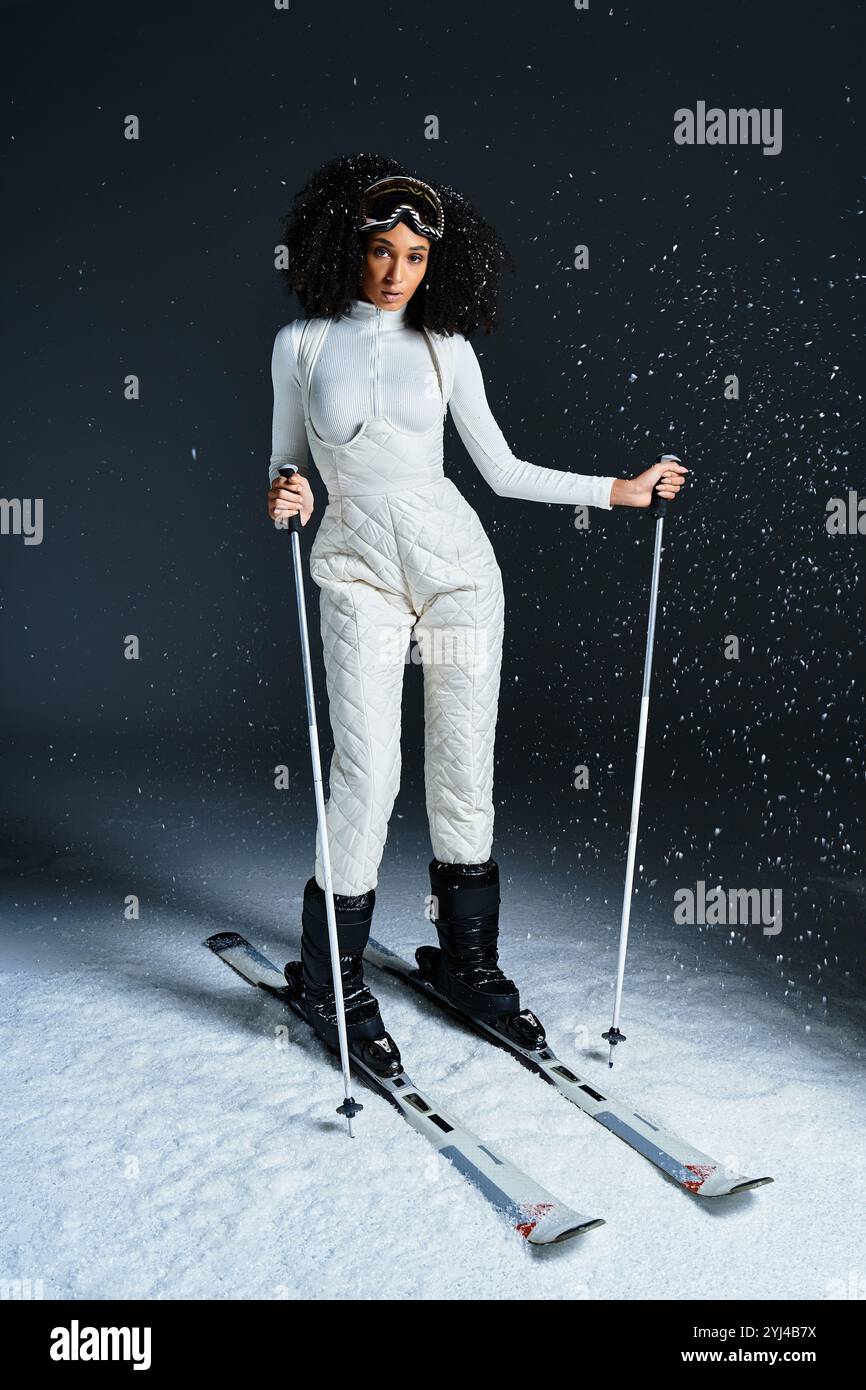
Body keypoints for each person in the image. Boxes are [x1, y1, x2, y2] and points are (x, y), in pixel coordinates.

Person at [267, 153, 687, 1076]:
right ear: (350, 246)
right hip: (357, 574)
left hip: (457, 573)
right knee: (366, 771)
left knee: (462, 771)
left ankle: (468, 963)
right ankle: (328, 975)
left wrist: (620, 491)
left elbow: (499, 470)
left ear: (435, 265)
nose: (395, 271)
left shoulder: (446, 349)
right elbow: (286, 463)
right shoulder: (299, 344)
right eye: (381, 249)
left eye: (414, 256)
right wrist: (287, 493)